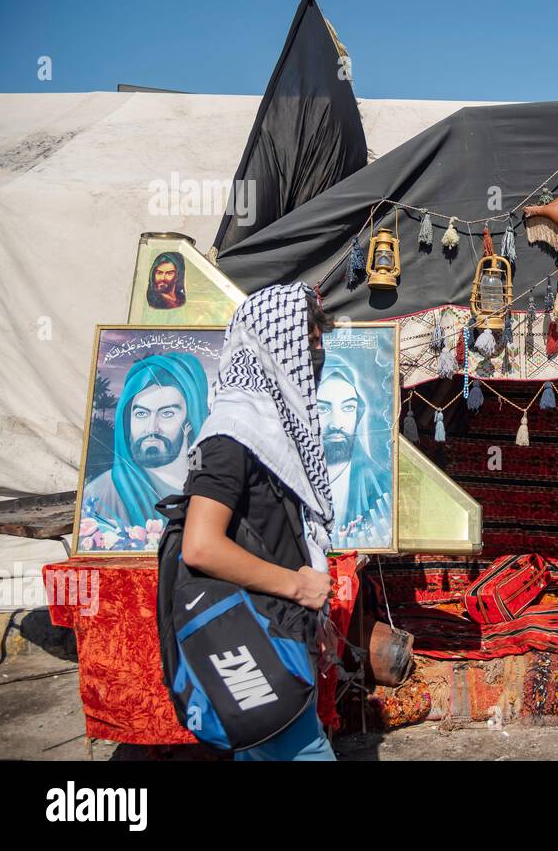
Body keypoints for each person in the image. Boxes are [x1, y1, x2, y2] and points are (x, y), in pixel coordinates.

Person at [180, 282, 338, 761]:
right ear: (271, 345)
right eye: (306, 341)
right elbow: (200, 546)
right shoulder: (232, 434)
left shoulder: (267, 428)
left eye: (316, 341)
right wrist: (297, 586)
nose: (316, 353)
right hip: (255, 642)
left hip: (279, 636)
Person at [82, 352, 208, 543]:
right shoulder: (101, 494)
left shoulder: (214, 487)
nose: (151, 428)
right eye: (141, 414)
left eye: (166, 413)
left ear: (189, 420)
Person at [316, 359, 388, 544]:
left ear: (358, 414)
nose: (336, 423)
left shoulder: (381, 486)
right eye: (322, 409)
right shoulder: (285, 479)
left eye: (348, 407)